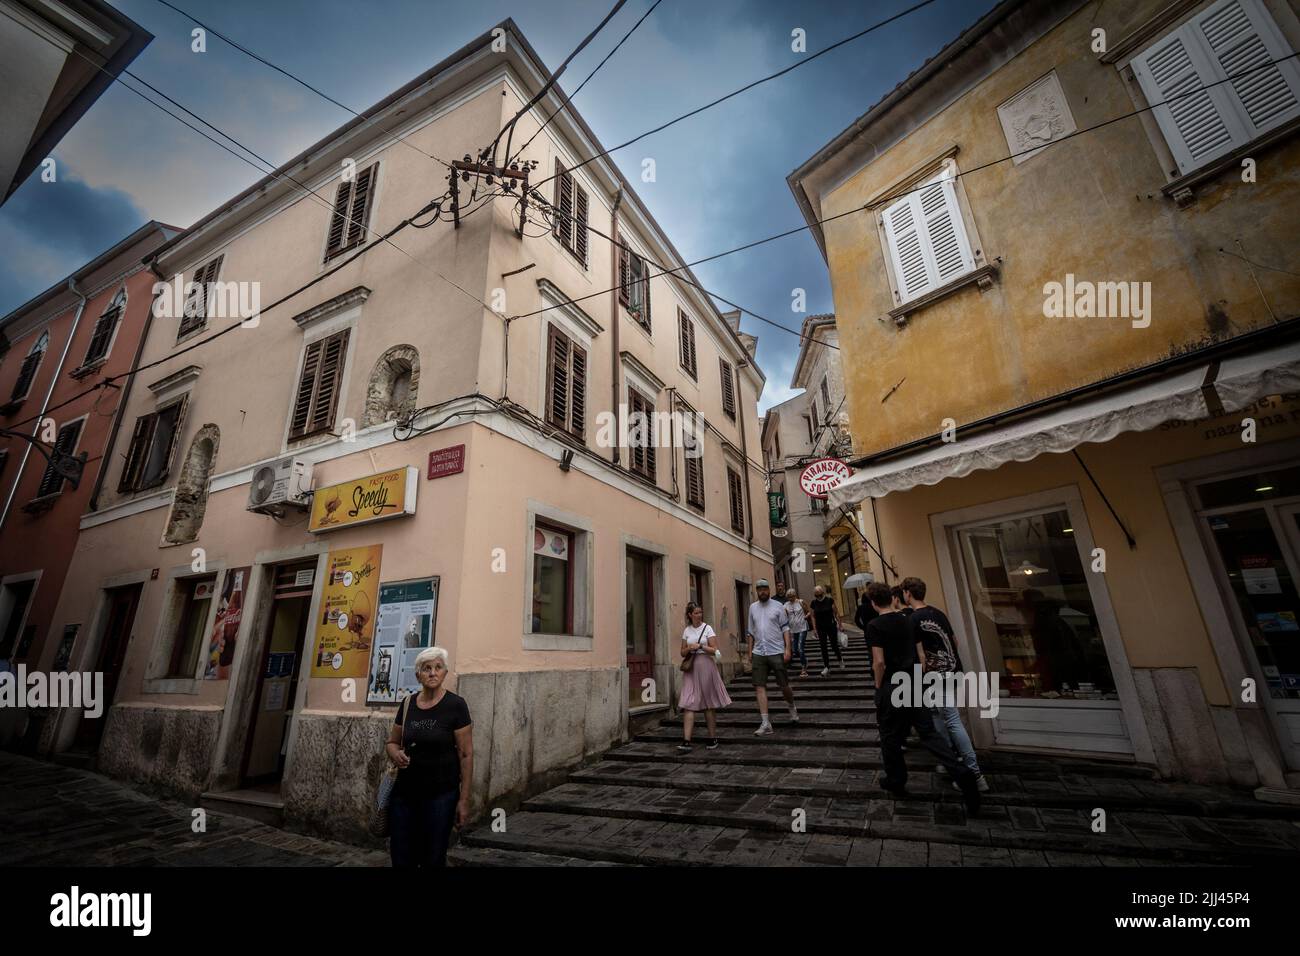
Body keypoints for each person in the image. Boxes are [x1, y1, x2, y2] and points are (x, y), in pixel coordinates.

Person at [864, 582, 980, 816]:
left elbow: (879, 661)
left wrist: (878, 687)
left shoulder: (874, 625)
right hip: (913, 682)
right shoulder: (908, 620)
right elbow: (921, 654)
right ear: (892, 598)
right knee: (928, 733)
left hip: (892, 684)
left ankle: (897, 780)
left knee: (889, 735)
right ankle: (963, 773)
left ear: (874, 602)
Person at [386, 647, 473, 867]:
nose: (432, 673)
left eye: (438, 667)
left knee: (433, 857)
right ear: (418, 675)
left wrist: (463, 800)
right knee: (401, 855)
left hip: (441, 797)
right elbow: (392, 742)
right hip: (404, 796)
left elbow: (465, 754)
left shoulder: (456, 705)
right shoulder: (407, 704)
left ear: (445, 673)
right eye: (426, 669)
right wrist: (395, 754)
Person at [902, 576, 988, 792]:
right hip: (952, 670)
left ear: (908, 594)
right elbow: (954, 641)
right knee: (938, 716)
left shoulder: (913, 619)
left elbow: (920, 655)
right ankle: (949, 761)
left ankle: (974, 773)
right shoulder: (938, 613)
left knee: (951, 719)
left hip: (934, 676)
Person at [746, 579, 797, 736]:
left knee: (784, 685)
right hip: (759, 652)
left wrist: (788, 649)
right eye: (759, 589)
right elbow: (750, 631)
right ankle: (766, 722)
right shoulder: (752, 607)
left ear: (769, 590)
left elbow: (786, 628)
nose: (762, 592)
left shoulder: (778, 606)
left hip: (776, 651)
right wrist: (749, 652)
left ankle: (791, 705)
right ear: (757, 591)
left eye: (764, 589)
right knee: (759, 686)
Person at [678, 602, 732, 751]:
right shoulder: (686, 630)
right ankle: (686, 741)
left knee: (708, 703)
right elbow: (682, 652)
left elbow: (715, 649)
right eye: (696, 613)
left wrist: (700, 646)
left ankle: (712, 737)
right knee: (688, 702)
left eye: (700, 612)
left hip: (706, 666)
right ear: (690, 615)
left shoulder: (707, 628)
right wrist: (689, 647)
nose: (699, 615)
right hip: (691, 668)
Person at [810, 585, 843, 676]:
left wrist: (840, 625)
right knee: (823, 646)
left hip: (831, 626)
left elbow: (836, 613)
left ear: (823, 593)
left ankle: (840, 658)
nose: (819, 597)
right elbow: (813, 616)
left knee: (833, 645)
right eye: (816, 596)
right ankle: (826, 666)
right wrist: (814, 629)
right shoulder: (813, 603)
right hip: (821, 628)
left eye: (820, 595)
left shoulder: (829, 600)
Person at [783, 588, 813, 678]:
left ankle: (804, 667)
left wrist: (805, 617)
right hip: (792, 630)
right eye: (788, 597)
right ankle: (804, 660)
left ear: (795, 595)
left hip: (802, 628)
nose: (790, 599)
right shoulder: (786, 605)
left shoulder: (801, 602)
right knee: (795, 650)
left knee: (800, 648)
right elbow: (783, 615)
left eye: (791, 597)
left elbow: (809, 612)